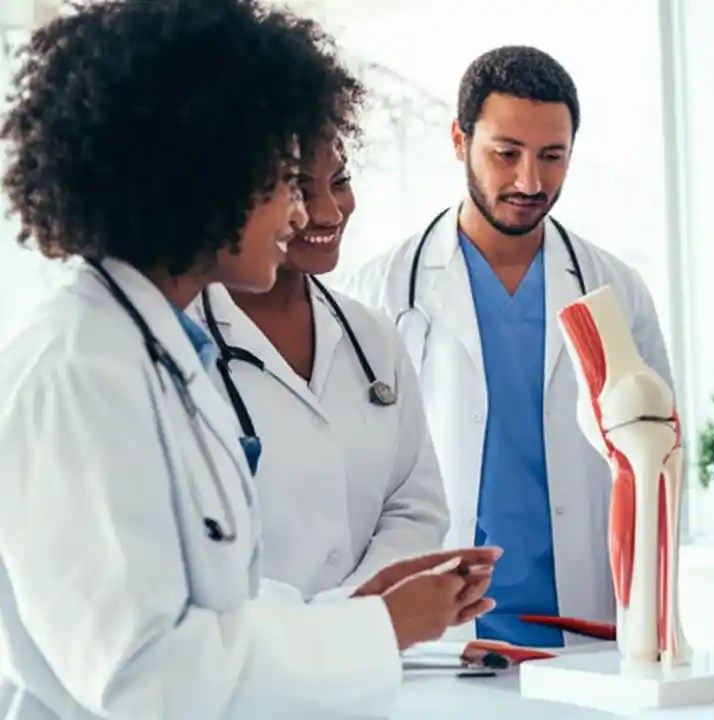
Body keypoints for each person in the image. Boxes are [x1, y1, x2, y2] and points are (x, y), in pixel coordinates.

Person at [0, 2, 496, 718]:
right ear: (203, 180)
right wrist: (379, 629)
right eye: (282, 183)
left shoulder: (156, 358)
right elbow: (147, 677)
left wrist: (358, 614)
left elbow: (224, 596)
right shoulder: (78, 376)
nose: (301, 215)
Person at [339, 45, 672, 648]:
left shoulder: (615, 291)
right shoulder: (379, 293)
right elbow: (353, 485)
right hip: (440, 636)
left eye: (552, 157)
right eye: (506, 154)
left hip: (586, 624)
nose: (530, 181)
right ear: (458, 139)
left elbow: (656, 470)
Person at [190, 127, 450, 600]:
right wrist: (324, 627)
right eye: (299, 188)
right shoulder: (177, 345)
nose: (330, 211)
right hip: (249, 655)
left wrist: (358, 608)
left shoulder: (373, 336)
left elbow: (415, 506)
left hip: (375, 654)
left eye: (341, 180)